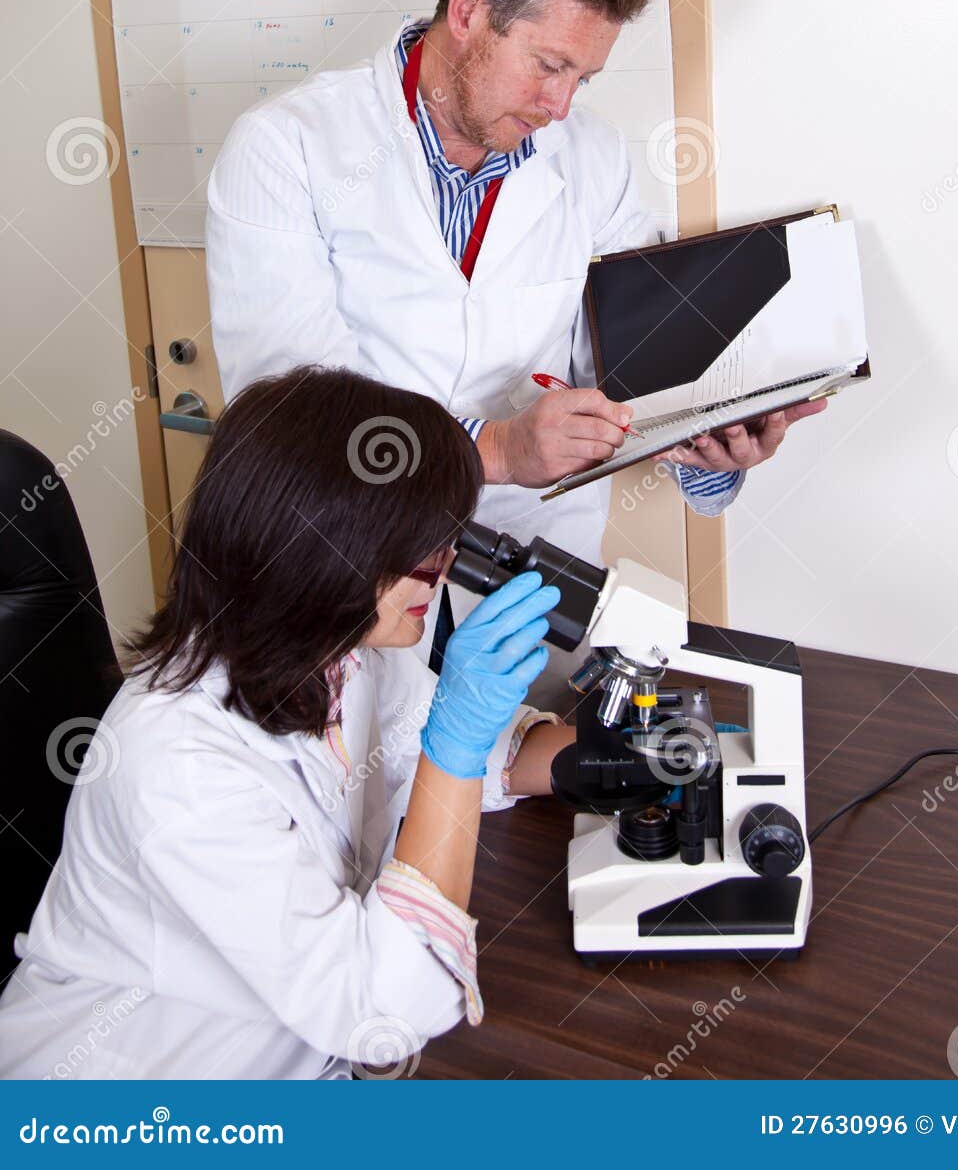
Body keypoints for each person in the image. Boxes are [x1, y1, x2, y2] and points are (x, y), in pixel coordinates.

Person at [206, 0, 826, 698]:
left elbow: (640, 363)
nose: (560, 103)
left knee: (523, 791)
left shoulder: (591, 160)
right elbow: (287, 422)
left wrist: (707, 438)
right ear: (467, 10)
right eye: (548, 65)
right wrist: (491, 450)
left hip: (531, 585)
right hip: (345, 581)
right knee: (361, 810)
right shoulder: (286, 150)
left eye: (584, 78)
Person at [0, 367, 572, 1080]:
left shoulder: (337, 657)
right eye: (427, 551)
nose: (447, 568)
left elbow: (445, 746)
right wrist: (452, 749)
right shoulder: (177, 764)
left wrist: (614, 759)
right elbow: (381, 1013)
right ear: (331, 551)